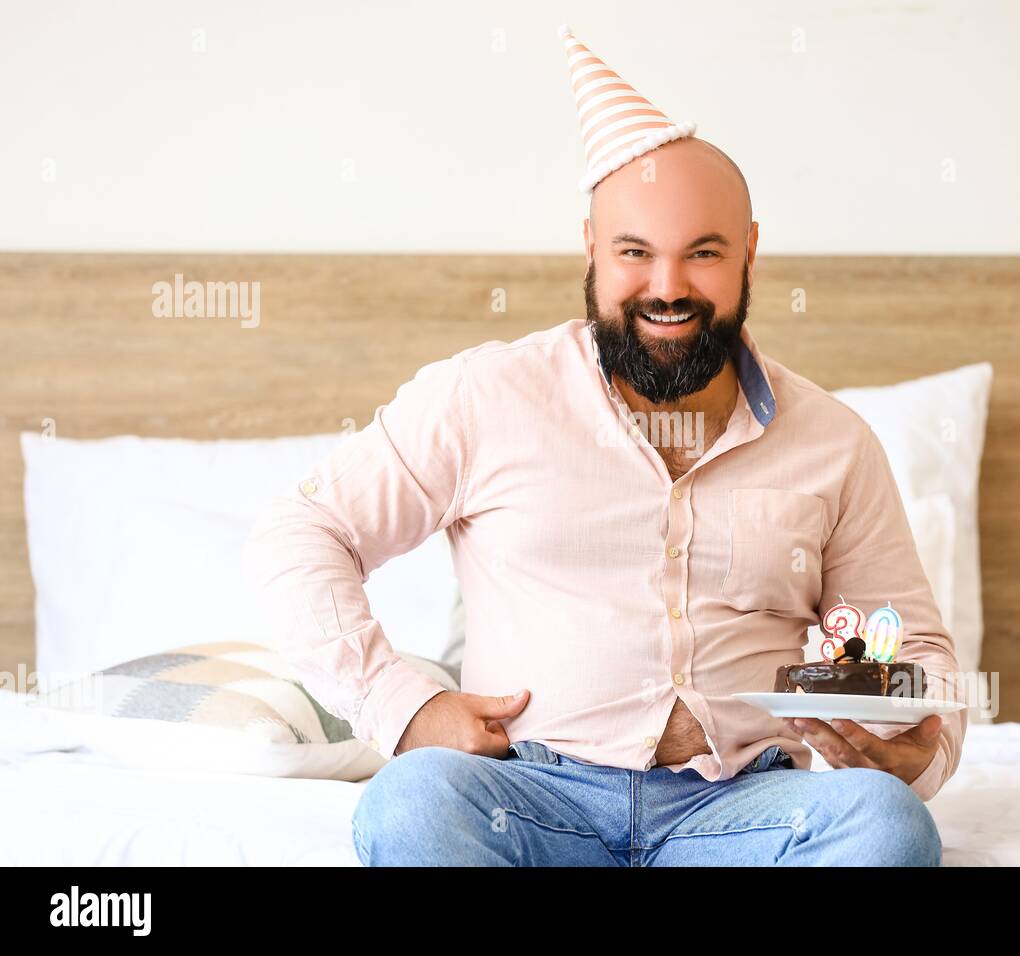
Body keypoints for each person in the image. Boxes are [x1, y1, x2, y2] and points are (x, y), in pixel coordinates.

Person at [243, 26, 964, 867]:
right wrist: (400, 704)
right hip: (531, 794)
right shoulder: (486, 397)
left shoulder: (835, 443)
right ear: (591, 247)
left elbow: (911, 652)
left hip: (747, 803)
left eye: (703, 253)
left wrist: (923, 747)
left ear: (749, 255)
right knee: (411, 803)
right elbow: (299, 534)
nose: (667, 287)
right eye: (635, 253)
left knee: (884, 824)